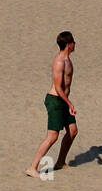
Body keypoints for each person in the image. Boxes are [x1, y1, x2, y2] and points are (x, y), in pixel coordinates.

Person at [26, 31, 78, 179]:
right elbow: (58, 87)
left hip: (63, 100)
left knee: (73, 130)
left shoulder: (68, 60)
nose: (75, 44)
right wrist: (69, 103)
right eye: (73, 42)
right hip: (55, 100)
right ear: (69, 45)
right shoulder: (59, 62)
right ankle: (32, 167)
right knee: (52, 136)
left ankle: (60, 162)